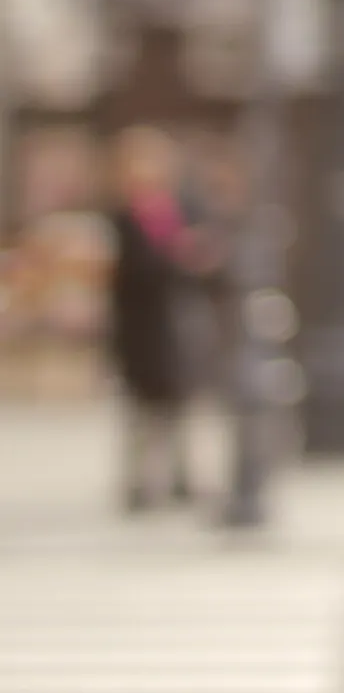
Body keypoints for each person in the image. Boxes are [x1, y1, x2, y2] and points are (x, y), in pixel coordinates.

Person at [103, 128, 212, 513]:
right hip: (140, 327)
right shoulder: (123, 215)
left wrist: (196, 255)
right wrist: (175, 255)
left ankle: (182, 477)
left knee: (180, 407)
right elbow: (131, 271)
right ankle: (140, 482)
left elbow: (209, 255)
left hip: (178, 324)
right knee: (141, 411)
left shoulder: (181, 206)